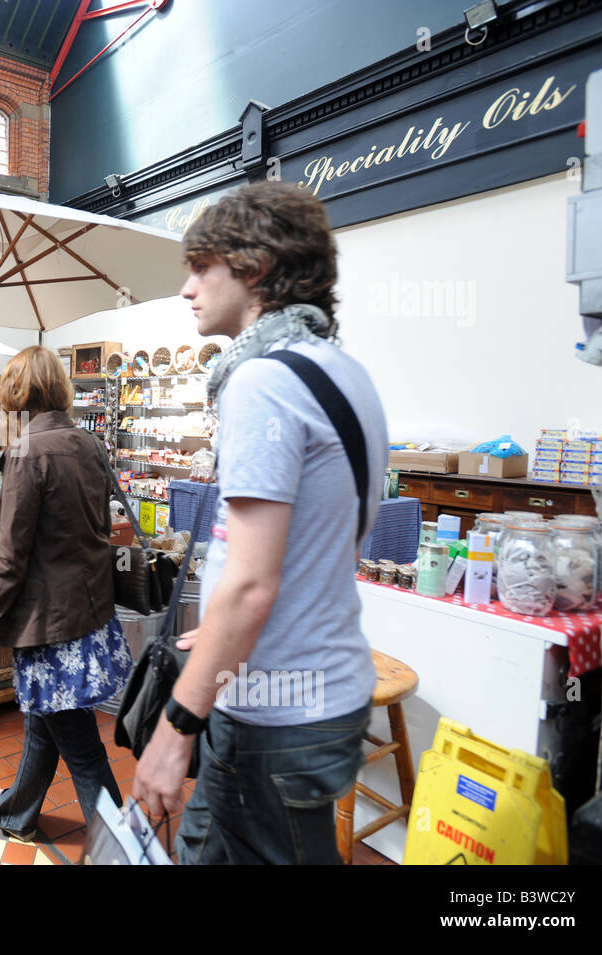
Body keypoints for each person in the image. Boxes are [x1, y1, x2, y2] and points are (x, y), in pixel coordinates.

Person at [130, 181, 389, 865]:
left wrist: (174, 728)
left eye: (201, 267)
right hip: (313, 688)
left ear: (256, 268)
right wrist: (220, 625)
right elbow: (309, 549)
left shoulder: (263, 382)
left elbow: (252, 585)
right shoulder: (344, 370)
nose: (187, 288)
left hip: (274, 714)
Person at [0, 345, 130, 843]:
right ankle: (16, 815)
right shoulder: (87, 442)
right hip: (89, 615)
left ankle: (123, 852)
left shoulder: (28, 452)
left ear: (18, 392)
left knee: (81, 749)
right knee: (44, 720)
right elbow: (106, 526)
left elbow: (9, 560)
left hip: (49, 626)